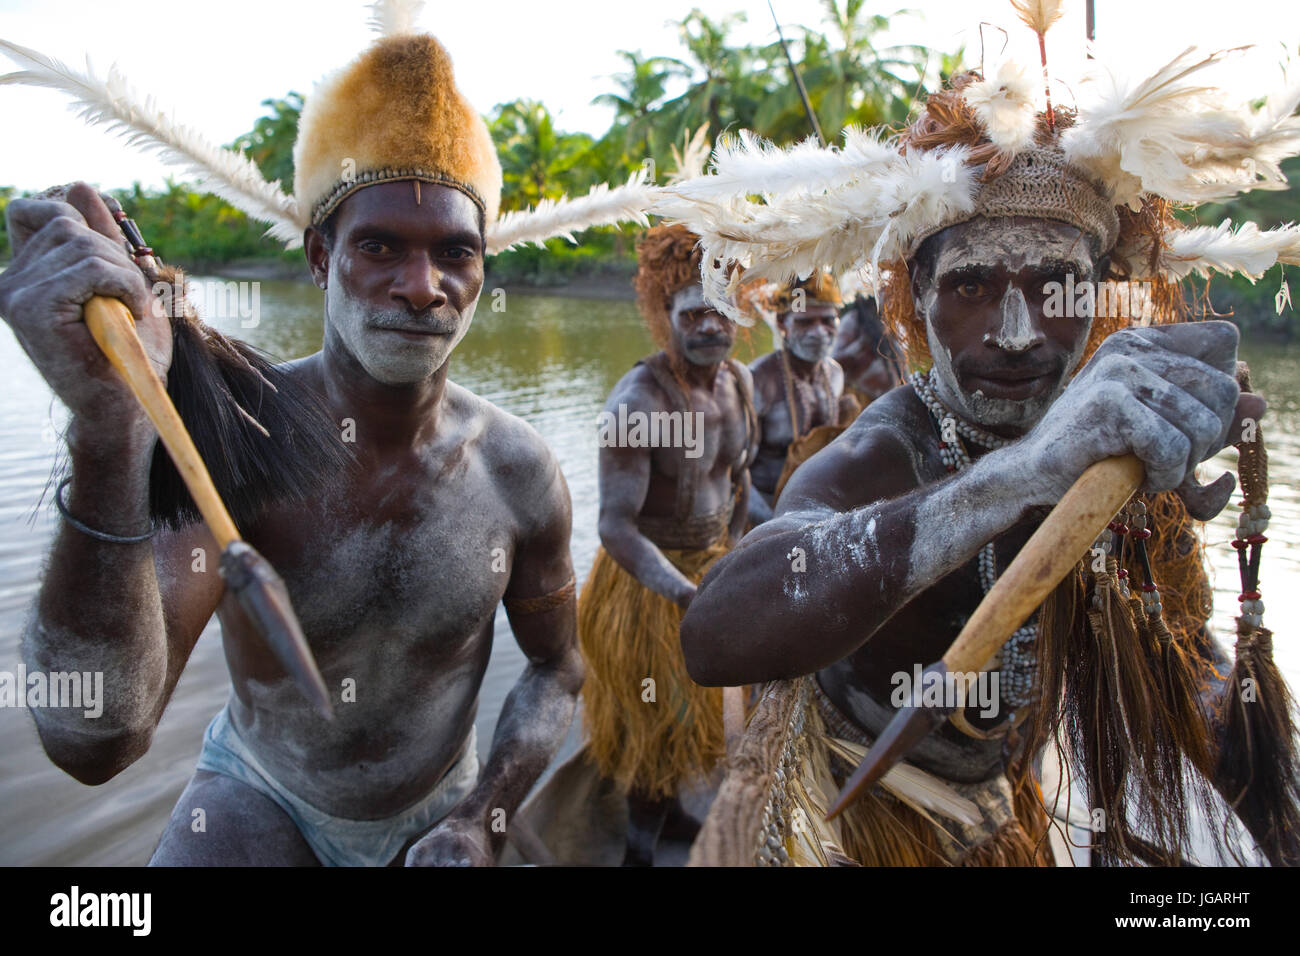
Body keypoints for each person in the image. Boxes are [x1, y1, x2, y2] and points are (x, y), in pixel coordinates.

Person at [671, 57, 1300, 866]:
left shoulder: (1120, 439)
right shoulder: (879, 457)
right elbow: (712, 636)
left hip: (1009, 798)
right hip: (864, 813)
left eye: (1056, 287)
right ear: (917, 293)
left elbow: (1190, 660)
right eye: (971, 287)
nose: (1016, 332)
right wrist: (1023, 474)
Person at [0, 26, 583, 867]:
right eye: (379, 245)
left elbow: (557, 670)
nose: (422, 288)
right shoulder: (239, 441)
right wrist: (108, 432)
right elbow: (95, 738)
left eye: (455, 252)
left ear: (481, 273)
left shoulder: (519, 470)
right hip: (264, 797)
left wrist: (482, 818)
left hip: (444, 802)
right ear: (320, 257)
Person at [577, 223, 757, 866]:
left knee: (695, 724)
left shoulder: (740, 383)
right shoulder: (638, 402)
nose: (710, 326)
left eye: (721, 311)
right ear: (664, 316)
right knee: (653, 731)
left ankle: (674, 814)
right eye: (692, 314)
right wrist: (685, 594)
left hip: (712, 569)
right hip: (646, 586)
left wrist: (743, 553)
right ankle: (637, 851)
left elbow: (738, 482)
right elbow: (614, 527)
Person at [745, 272, 851, 525]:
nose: (819, 332)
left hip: (817, 508)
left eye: (828, 320)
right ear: (783, 323)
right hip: (764, 511)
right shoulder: (759, 380)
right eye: (805, 322)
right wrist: (774, 525)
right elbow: (733, 475)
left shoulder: (834, 374)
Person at [832, 294, 904, 408]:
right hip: (862, 402)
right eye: (881, 291)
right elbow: (835, 363)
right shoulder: (853, 320)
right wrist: (860, 345)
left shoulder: (888, 320)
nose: (888, 296)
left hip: (891, 399)